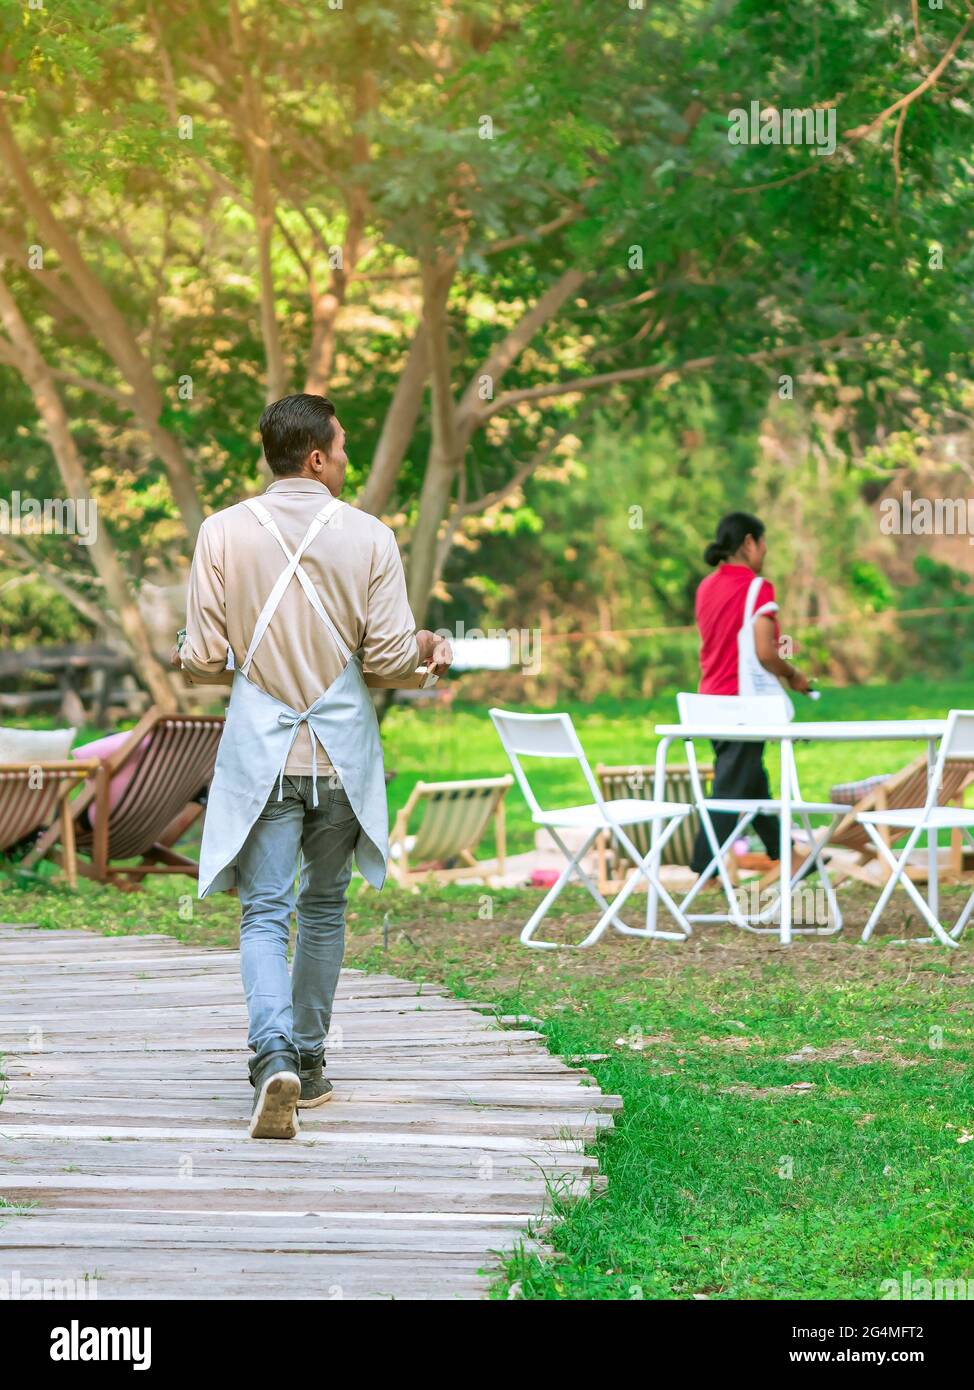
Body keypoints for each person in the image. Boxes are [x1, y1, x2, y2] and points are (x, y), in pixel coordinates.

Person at [177, 393, 452, 1139]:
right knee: (324, 908)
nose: (349, 461)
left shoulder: (221, 533)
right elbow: (390, 662)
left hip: (261, 756)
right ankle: (311, 1058)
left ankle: (273, 1059)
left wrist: (227, 653)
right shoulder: (369, 536)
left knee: (265, 912)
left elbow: (202, 660)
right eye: (344, 448)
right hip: (340, 755)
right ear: (318, 457)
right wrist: (426, 647)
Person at [688, 511, 811, 876]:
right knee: (730, 790)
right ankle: (702, 868)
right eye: (763, 543)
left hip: (708, 702)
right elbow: (764, 651)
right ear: (748, 543)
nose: (765, 551)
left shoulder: (705, 588)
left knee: (750, 780)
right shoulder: (759, 588)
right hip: (743, 706)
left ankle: (788, 856)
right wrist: (794, 675)